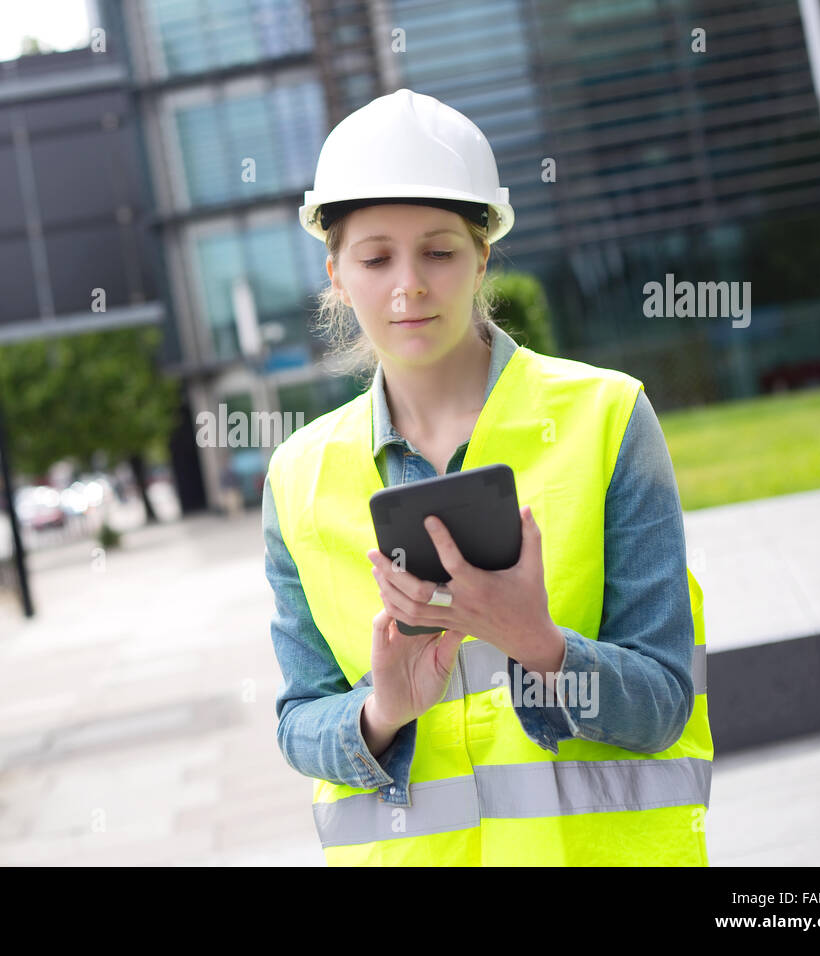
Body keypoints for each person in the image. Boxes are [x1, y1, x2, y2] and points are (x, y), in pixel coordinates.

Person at [263, 89, 712, 866]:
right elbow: (299, 718)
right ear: (337, 273)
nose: (409, 284)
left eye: (439, 251)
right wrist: (380, 712)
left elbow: (665, 704)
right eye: (375, 258)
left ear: (482, 257)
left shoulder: (607, 420)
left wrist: (539, 647)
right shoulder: (297, 476)